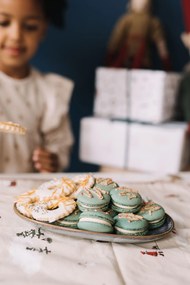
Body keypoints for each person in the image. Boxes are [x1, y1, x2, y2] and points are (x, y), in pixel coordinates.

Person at [0, 0, 74, 173]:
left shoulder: (51, 92)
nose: (16, 35)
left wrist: (52, 161)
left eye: (30, 26)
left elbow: (59, 146)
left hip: (30, 195)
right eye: (3, 23)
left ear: (43, 29)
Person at [105, 0, 171, 70]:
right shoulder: (126, 20)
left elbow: (160, 41)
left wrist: (165, 59)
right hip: (125, 57)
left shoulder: (152, 22)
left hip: (143, 58)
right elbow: (116, 38)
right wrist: (110, 54)